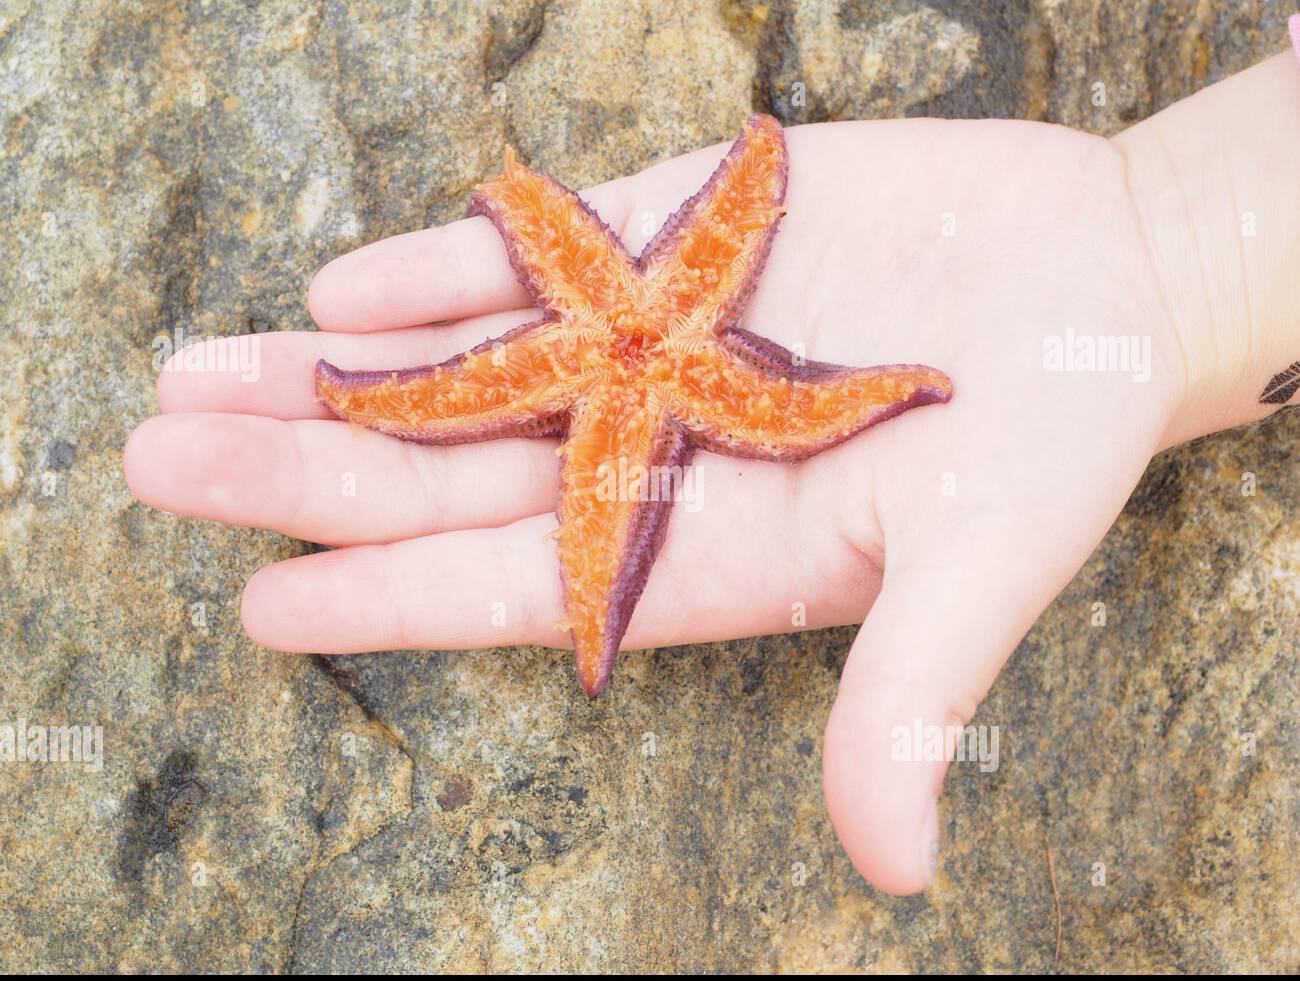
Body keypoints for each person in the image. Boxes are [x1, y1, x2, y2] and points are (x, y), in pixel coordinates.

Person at [124, 23, 1300, 896]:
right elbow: (522, 268)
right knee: (427, 393)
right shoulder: (613, 313)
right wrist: (1173, 248)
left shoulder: (685, 330)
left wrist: (1167, 270)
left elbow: (774, 328)